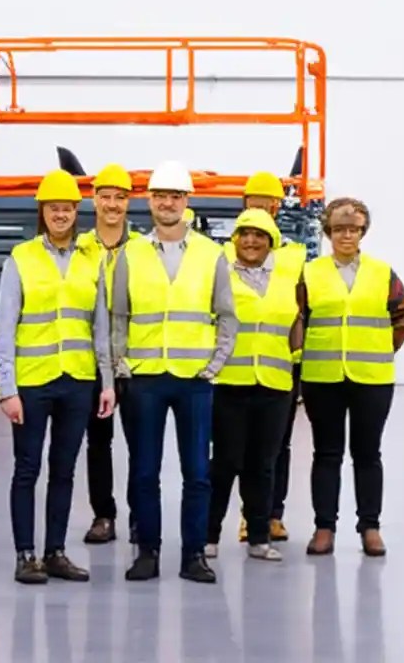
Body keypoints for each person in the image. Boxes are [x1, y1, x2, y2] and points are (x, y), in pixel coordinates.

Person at [110, 160, 238, 583]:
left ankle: (193, 555)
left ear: (186, 201)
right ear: (150, 201)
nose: (168, 203)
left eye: (175, 196)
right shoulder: (131, 253)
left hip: (193, 380)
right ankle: (147, 552)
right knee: (144, 472)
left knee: (197, 473)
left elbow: (226, 314)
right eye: (161, 196)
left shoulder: (211, 254)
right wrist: (122, 365)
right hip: (144, 377)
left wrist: (215, 364)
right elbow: (118, 316)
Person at [0, 170, 115, 584]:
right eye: (53, 208)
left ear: (76, 212)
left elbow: (100, 327)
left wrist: (106, 382)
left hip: (77, 381)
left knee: (64, 470)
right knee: (27, 468)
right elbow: (5, 327)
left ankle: (55, 552)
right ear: (42, 212)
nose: (60, 215)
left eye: (67, 208)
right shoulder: (21, 258)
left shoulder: (91, 260)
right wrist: (7, 389)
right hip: (32, 382)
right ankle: (25, 555)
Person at [298, 197, 404, 557]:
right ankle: (324, 528)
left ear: (363, 232)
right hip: (322, 377)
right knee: (326, 453)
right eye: (339, 229)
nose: (346, 235)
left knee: (367, 454)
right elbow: (298, 321)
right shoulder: (310, 273)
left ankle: (370, 527)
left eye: (354, 229)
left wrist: (380, 349)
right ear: (327, 232)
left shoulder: (382, 273)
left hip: (372, 378)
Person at [204, 209, 302, 562]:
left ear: (271, 242)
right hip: (229, 382)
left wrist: (296, 363)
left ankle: (259, 537)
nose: (250, 241)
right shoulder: (221, 274)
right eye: (244, 234)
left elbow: (296, 322)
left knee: (263, 464)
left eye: (259, 235)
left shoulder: (287, 278)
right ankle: (208, 536)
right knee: (225, 462)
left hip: (274, 384)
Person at [226, 171, 308, 544]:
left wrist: (298, 362)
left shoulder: (296, 255)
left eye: (266, 203)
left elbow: (303, 310)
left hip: (280, 365)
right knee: (237, 450)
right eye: (253, 203)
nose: (260, 208)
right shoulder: (226, 254)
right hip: (236, 368)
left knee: (278, 447)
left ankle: (274, 514)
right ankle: (248, 518)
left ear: (277, 207)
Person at [77, 163, 140, 545]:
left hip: (133, 362)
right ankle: (103, 515)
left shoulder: (142, 249)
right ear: (94, 199)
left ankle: (139, 516)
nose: (112, 205)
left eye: (120, 197)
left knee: (140, 445)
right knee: (98, 443)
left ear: (128, 202)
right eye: (106, 197)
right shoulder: (80, 248)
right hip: (93, 362)